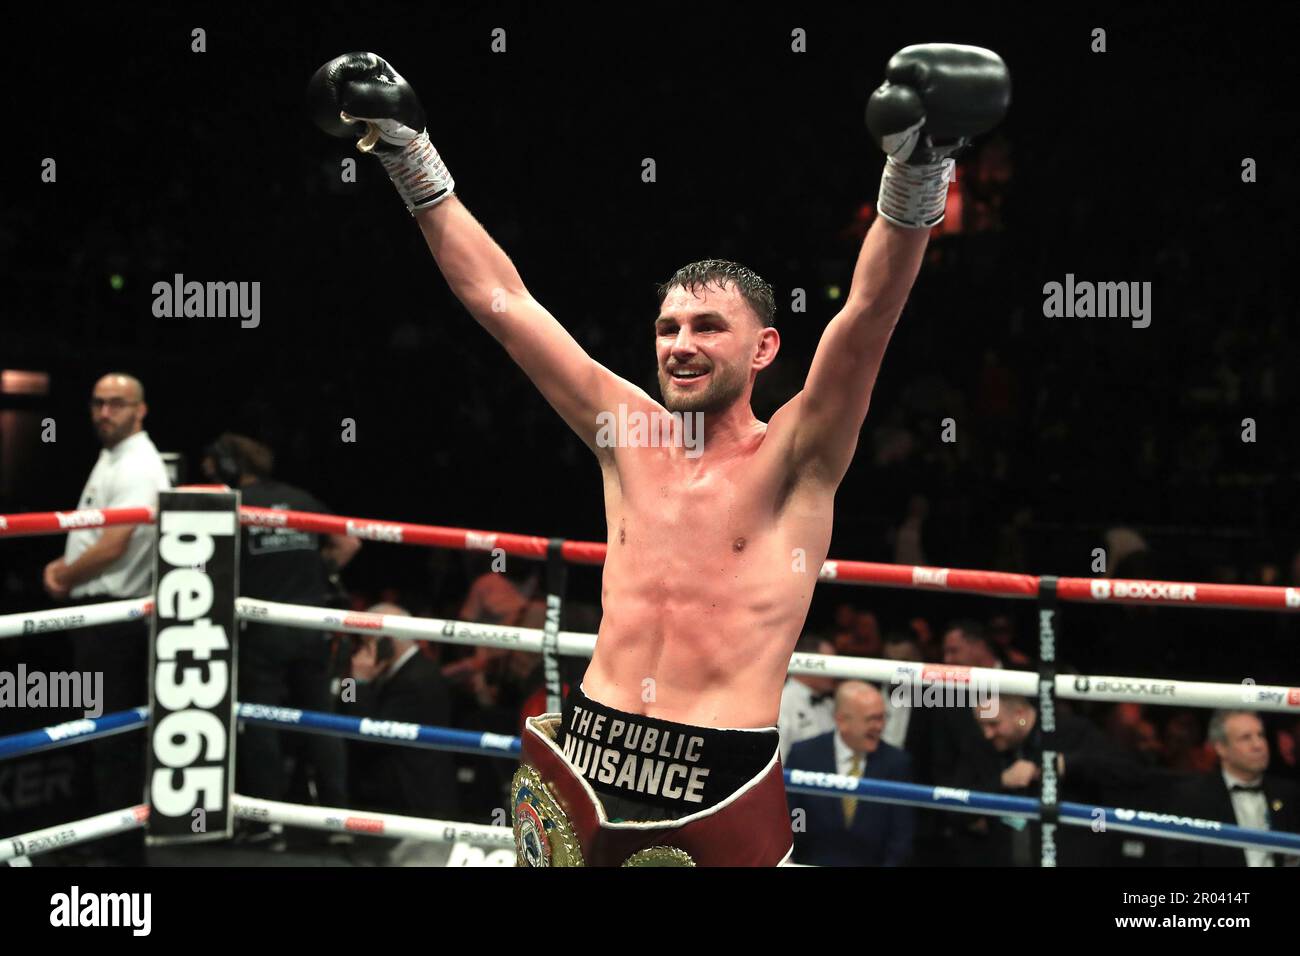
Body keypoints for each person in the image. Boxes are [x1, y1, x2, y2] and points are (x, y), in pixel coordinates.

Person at [308, 43, 1009, 866]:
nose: (680, 344)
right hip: (584, 755)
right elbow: (503, 303)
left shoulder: (797, 457)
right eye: (669, 328)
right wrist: (407, 151)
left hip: (715, 781)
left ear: (764, 349)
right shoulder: (627, 432)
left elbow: (866, 318)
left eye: (708, 327)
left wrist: (917, 175)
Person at [44, 372, 170, 865]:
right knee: (99, 731)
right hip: (100, 617)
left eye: (116, 404)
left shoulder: (139, 464)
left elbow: (117, 544)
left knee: (111, 735)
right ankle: (100, 839)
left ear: (140, 409)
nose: (104, 412)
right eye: (97, 402)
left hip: (115, 622)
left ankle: (117, 850)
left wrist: (65, 574)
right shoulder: (114, 456)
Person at [202, 433, 360, 822]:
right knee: (321, 720)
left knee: (260, 722)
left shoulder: (234, 506)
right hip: (310, 625)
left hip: (263, 627)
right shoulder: (301, 499)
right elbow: (349, 543)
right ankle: (337, 818)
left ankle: (267, 823)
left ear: (229, 466)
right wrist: (319, 573)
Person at [342, 603, 459, 822]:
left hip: (414, 801)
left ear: (385, 642)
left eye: (366, 642)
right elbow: (345, 706)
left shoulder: (415, 679)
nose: (360, 651)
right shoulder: (405, 671)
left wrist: (358, 682)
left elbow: (370, 736)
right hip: (406, 795)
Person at [786, 682, 914, 866]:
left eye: (882, 718)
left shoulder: (896, 763)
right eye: (872, 719)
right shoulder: (804, 755)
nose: (880, 726)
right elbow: (790, 820)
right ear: (842, 721)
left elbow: (901, 836)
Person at [1165, 710, 1300, 867]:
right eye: (1245, 738)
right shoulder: (1193, 797)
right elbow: (1180, 860)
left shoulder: (1288, 793)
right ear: (1221, 748)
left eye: (1261, 735)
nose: (1258, 745)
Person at [778, 633, 838, 762]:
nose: (836, 672)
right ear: (808, 664)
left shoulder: (829, 703)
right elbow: (778, 760)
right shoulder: (782, 704)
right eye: (829, 664)